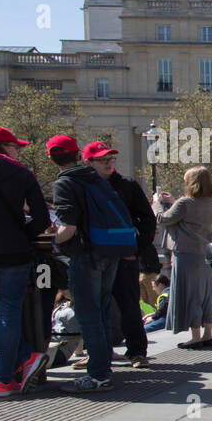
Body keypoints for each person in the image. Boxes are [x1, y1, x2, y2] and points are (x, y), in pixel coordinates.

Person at [50, 134, 138, 392]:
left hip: (85, 254)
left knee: (88, 314)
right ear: (78, 154)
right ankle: (103, 366)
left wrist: (53, 240)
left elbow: (69, 226)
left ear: (52, 158)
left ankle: (99, 374)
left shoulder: (66, 182)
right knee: (99, 311)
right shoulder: (94, 179)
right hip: (109, 251)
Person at [85, 142, 156, 369]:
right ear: (88, 162)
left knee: (129, 306)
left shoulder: (127, 185)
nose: (108, 163)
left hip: (124, 257)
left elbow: (147, 219)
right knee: (96, 307)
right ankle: (99, 351)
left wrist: (136, 250)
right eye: (102, 160)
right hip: (96, 256)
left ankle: (136, 352)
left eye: (110, 159)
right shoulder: (84, 185)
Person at [0, 127, 51, 397]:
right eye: (14, 146)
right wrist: (22, 234)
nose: (18, 150)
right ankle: (6, 378)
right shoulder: (21, 173)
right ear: (2, 147)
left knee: (4, 314)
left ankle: (17, 364)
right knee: (8, 311)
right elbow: (42, 219)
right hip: (15, 253)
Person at [156, 166, 212, 349]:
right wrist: (174, 201)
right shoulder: (211, 203)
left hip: (186, 254)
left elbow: (163, 218)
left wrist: (157, 203)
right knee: (205, 294)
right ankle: (208, 334)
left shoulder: (185, 203)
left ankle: (196, 337)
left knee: (191, 294)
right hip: (205, 254)